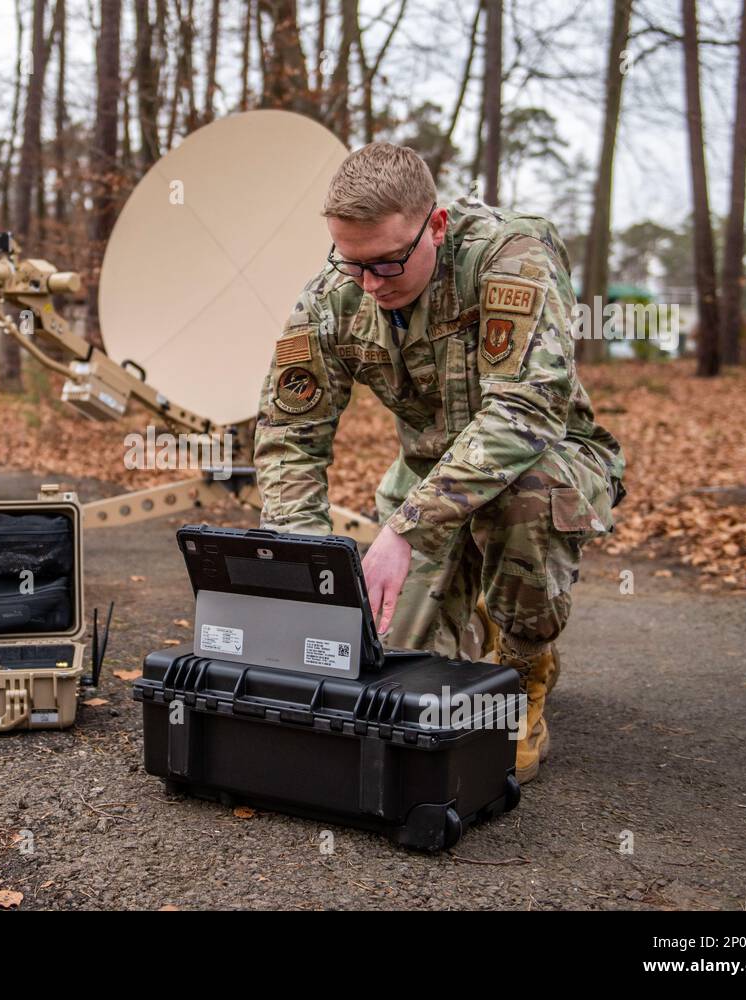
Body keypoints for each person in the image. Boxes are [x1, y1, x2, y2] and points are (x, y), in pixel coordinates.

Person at [253, 143, 625, 784]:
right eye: (353, 263)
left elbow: (526, 414)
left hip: (550, 464)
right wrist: (308, 562)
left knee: (523, 495)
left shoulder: (510, 257)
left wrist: (404, 529)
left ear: (437, 225)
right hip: (427, 485)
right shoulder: (334, 295)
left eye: (389, 262)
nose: (371, 283)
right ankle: (476, 611)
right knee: (403, 685)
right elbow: (291, 433)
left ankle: (522, 666)